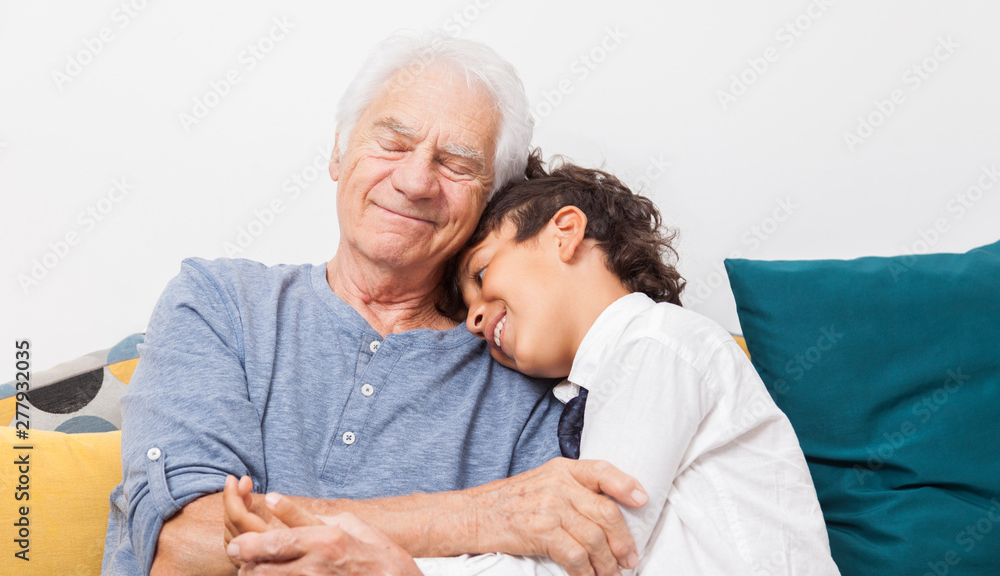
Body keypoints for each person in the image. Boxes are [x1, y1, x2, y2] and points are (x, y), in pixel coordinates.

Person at [102, 33, 647, 576]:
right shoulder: (219, 303)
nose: (414, 181)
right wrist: (479, 516)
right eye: (392, 143)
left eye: (456, 164)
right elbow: (186, 548)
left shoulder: (532, 372)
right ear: (339, 151)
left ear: (490, 202)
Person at [228, 153, 841, 574]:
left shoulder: (659, 343)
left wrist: (384, 560)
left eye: (482, 273)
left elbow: (595, 552)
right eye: (465, 304)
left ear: (564, 232)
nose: (474, 317)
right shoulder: (589, 397)